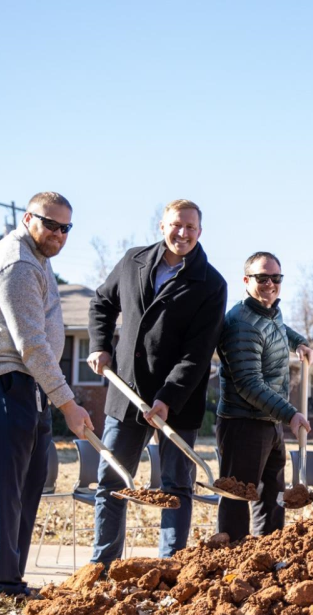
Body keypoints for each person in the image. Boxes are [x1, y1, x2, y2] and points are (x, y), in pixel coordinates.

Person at [0, 191, 94, 595]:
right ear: (28, 218)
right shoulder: (17, 263)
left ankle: (10, 576)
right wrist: (68, 403)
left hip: (26, 382)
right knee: (8, 482)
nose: (58, 234)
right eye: (49, 224)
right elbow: (31, 343)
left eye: (65, 228)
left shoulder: (39, 259)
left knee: (32, 478)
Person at [86, 199, 227, 565]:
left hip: (177, 404)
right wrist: (100, 346)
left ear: (200, 232)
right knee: (112, 482)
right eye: (177, 225)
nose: (183, 233)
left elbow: (198, 352)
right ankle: (103, 566)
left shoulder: (210, 283)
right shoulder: (133, 261)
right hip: (126, 394)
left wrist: (167, 397)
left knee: (176, 487)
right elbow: (101, 302)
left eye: (191, 227)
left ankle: (170, 566)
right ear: (162, 225)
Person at [216, 252, 312, 539]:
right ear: (246, 280)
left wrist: (299, 342)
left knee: (272, 496)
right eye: (262, 278)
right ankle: (232, 564)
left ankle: (268, 557)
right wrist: (290, 414)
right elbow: (248, 383)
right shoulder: (241, 325)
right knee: (238, 496)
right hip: (243, 423)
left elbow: (277, 328)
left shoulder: (268, 311)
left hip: (268, 420)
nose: (270, 283)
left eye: (276, 278)